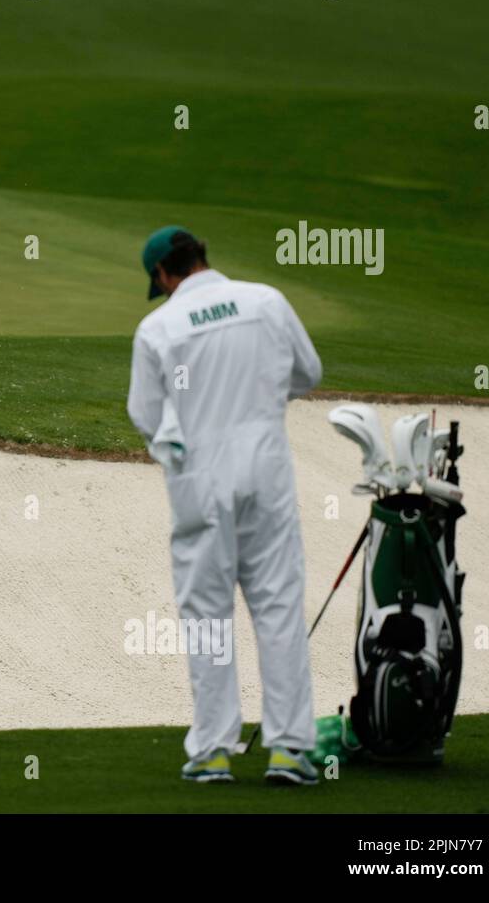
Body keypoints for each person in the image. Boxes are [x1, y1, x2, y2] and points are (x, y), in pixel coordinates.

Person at [126, 226, 324, 785]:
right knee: (280, 609)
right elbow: (308, 373)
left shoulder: (159, 326)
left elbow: (145, 413)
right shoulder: (267, 301)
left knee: (207, 619)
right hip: (266, 472)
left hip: (199, 480)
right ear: (201, 257)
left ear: (164, 274)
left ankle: (213, 750)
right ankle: (289, 750)